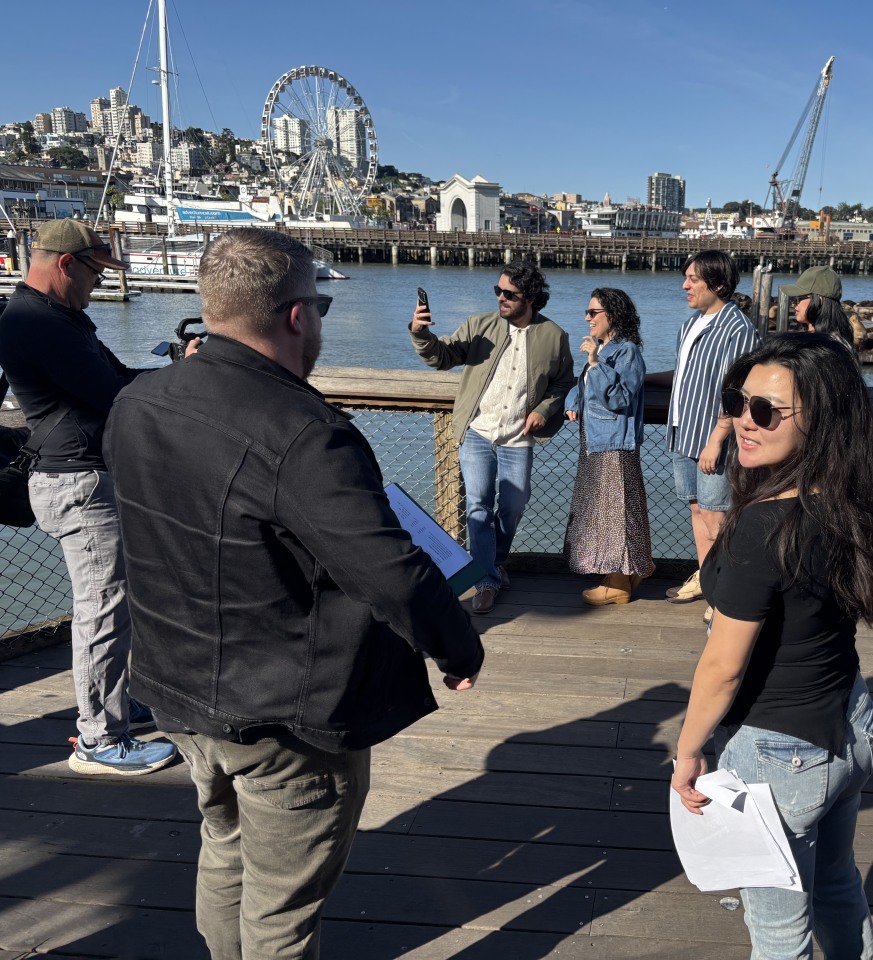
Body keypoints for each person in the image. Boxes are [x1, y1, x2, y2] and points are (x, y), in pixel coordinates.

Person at [103, 228, 484, 959]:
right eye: (322, 307)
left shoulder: (138, 400)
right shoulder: (305, 433)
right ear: (297, 314)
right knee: (282, 909)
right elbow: (392, 572)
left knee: (226, 849)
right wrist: (457, 646)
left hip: (175, 689)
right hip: (285, 717)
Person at [672, 333, 873, 959]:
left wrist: (688, 752)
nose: (744, 422)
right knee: (836, 885)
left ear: (819, 419)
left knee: (778, 931)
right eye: (737, 403)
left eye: (765, 411)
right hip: (849, 722)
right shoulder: (856, 499)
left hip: (778, 752)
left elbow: (723, 668)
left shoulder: (764, 526)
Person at [0, 219, 177, 776]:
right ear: (65, 264)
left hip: (87, 477)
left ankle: (113, 703)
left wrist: (179, 370)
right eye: (96, 273)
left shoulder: (58, 317)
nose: (99, 284)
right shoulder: (36, 322)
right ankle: (99, 737)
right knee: (102, 608)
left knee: (114, 603)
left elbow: (120, 376)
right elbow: (115, 393)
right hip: (77, 484)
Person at [410, 259, 574, 614]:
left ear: (530, 297)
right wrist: (421, 333)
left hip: (518, 437)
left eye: (509, 293)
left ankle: (494, 561)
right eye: (498, 290)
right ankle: (486, 580)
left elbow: (562, 384)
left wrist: (543, 410)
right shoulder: (479, 325)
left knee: (513, 506)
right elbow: (442, 357)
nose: (501, 297)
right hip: (477, 432)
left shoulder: (555, 336)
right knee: (478, 506)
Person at [665, 250, 760, 611]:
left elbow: (736, 391)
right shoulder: (690, 324)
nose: (685, 285)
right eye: (686, 278)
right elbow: (684, 376)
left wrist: (717, 440)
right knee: (697, 509)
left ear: (718, 285)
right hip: (683, 431)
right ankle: (709, 582)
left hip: (713, 439)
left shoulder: (738, 329)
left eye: (694, 279)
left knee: (717, 516)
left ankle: (730, 596)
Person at [564, 287, 654, 604]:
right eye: (587, 312)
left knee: (615, 512)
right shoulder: (605, 350)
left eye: (593, 312)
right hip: (596, 442)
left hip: (613, 445)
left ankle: (618, 582)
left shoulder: (627, 352)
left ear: (612, 315)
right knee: (610, 510)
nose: (587, 318)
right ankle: (630, 572)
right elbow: (586, 386)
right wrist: (572, 401)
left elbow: (619, 397)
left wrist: (594, 362)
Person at [785, 265, 857, 352]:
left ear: (820, 300)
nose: (793, 304)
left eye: (799, 298)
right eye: (793, 298)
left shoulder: (834, 346)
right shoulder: (803, 333)